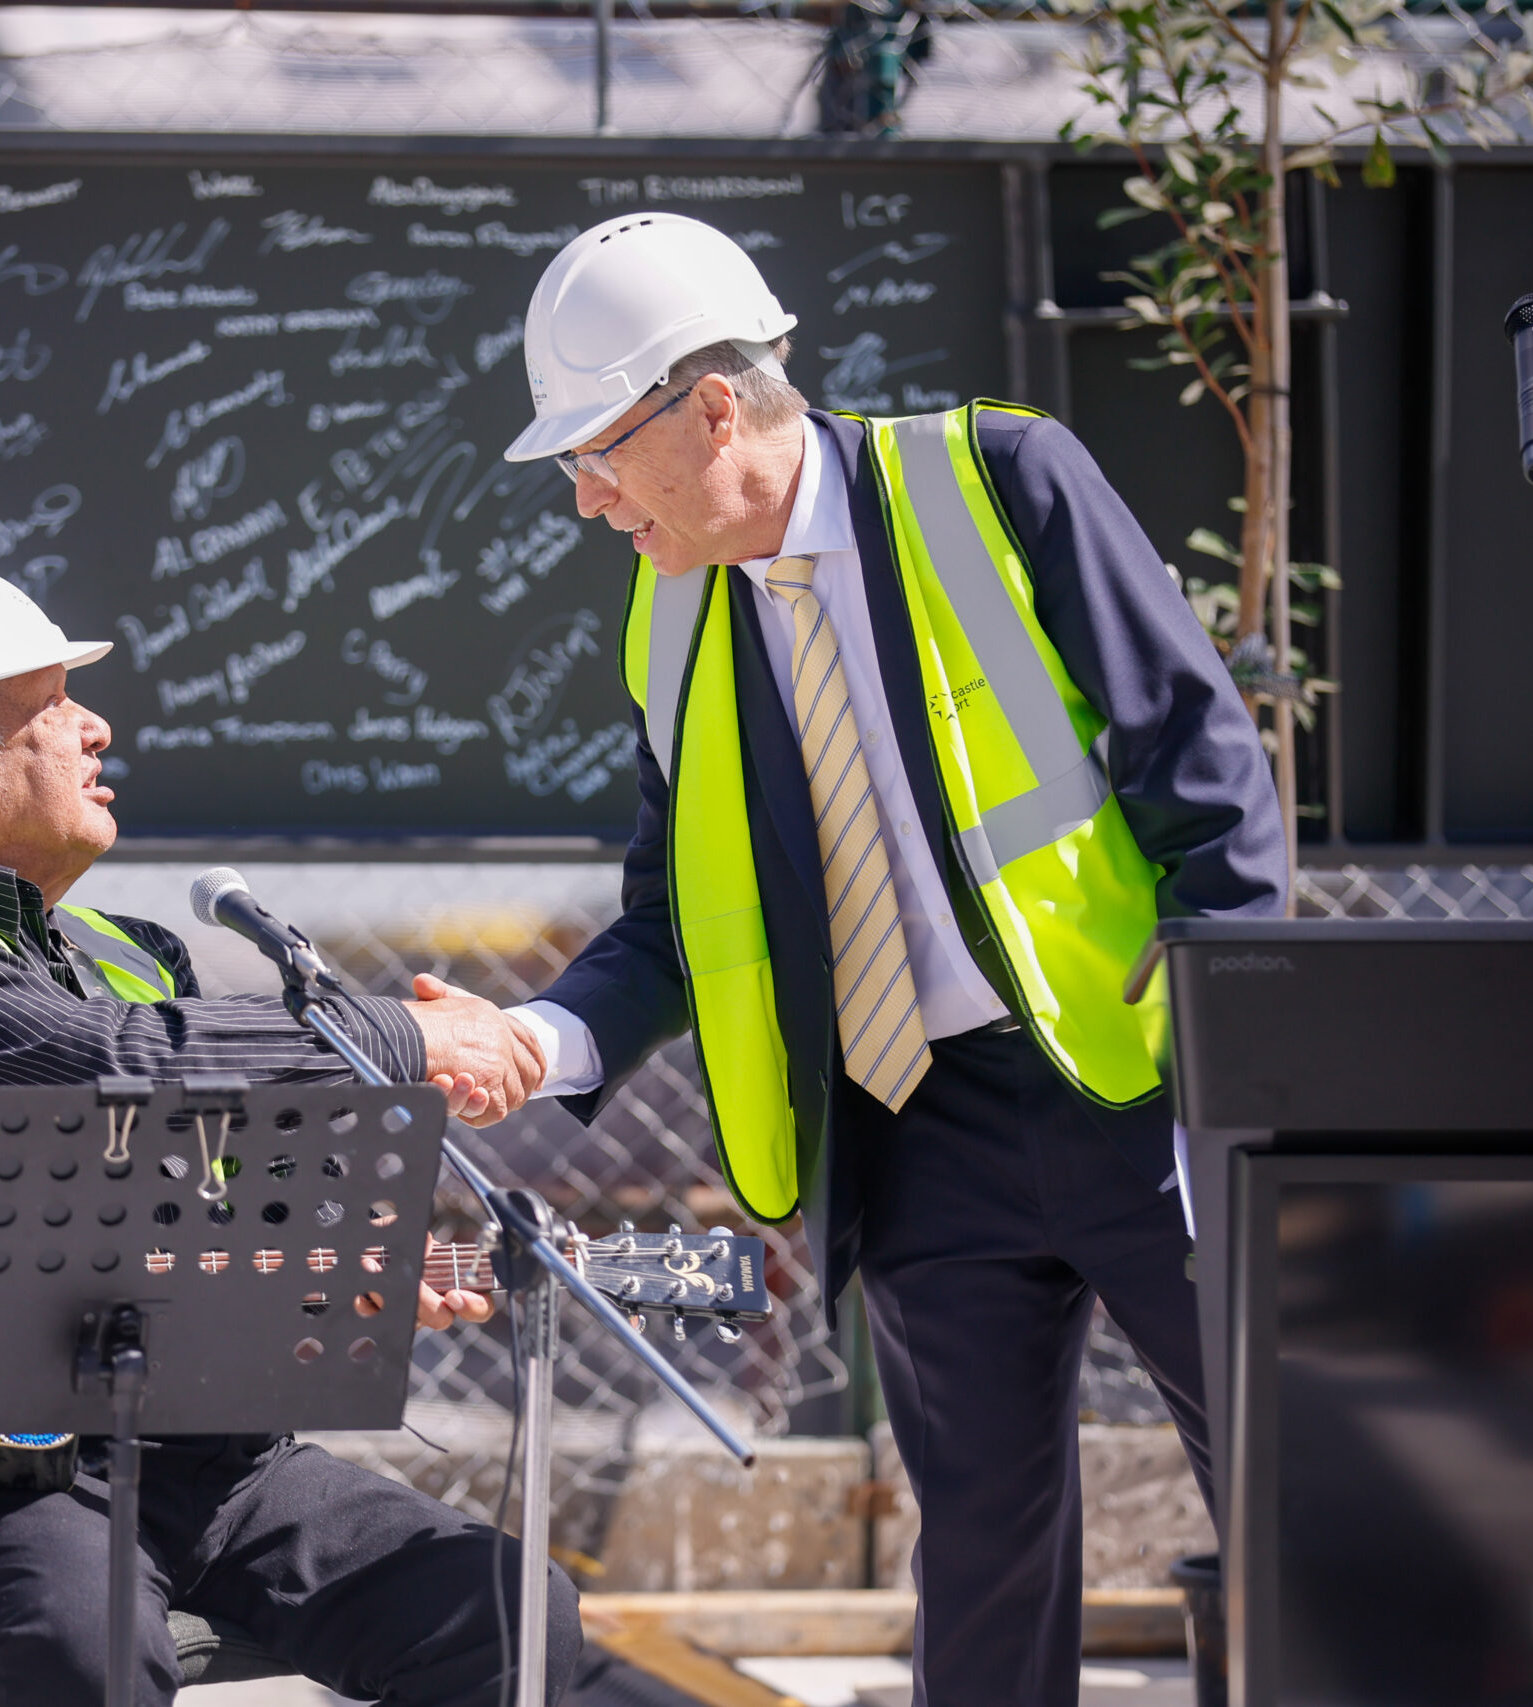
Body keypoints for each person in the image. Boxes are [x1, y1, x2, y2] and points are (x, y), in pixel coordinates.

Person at [490, 214, 1288, 1705]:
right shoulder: (670, 626)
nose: (590, 502)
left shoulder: (999, 480)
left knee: (1290, 1489)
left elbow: (1207, 770)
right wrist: (542, 1038)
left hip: (1135, 1085)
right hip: (914, 1133)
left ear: (711, 404)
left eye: (596, 452)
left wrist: (1234, 1074)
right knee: (983, 1552)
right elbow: (675, 917)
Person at [0, 545, 573, 1707]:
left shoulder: (140, 956)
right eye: (52, 705)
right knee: (91, 1650)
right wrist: (396, 1039)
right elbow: (98, 1073)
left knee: (505, 1613)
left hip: (187, 1460)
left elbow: (203, 1221)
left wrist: (333, 1282)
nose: (97, 727)